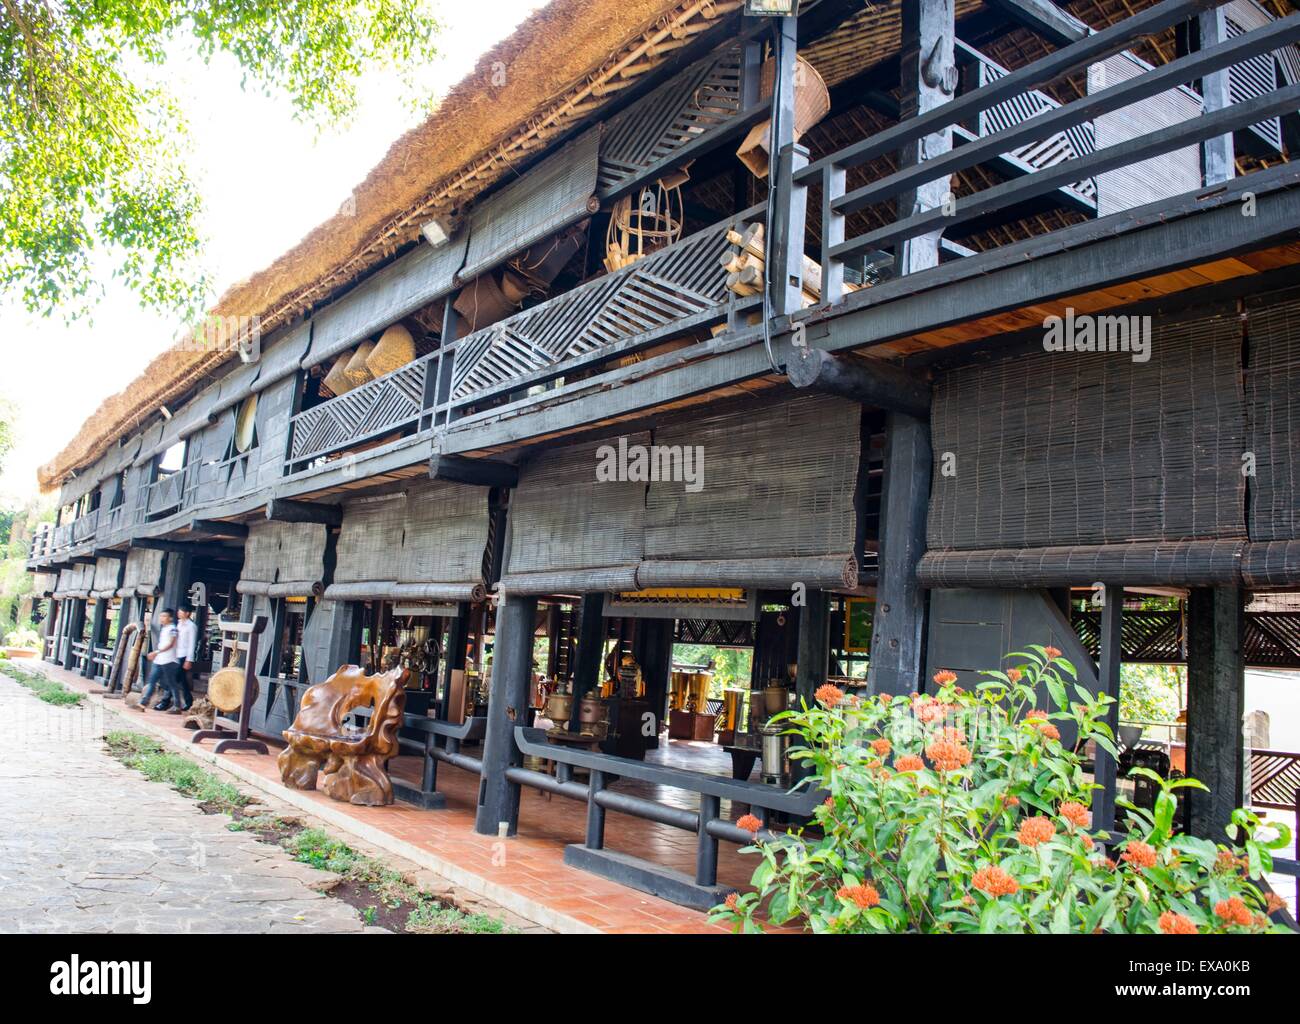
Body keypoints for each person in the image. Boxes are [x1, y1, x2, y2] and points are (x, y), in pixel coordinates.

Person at [134, 609, 180, 713]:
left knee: (172, 684)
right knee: (152, 681)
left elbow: (171, 644)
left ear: (170, 618)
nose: (161, 618)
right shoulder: (164, 629)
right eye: (161, 616)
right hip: (159, 660)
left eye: (164, 616)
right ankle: (143, 703)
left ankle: (177, 706)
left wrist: (156, 652)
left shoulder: (173, 629)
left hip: (169, 660)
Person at [174, 605, 198, 711]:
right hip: (176, 654)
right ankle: (188, 701)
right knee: (182, 680)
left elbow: (192, 644)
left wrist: (189, 660)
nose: (179, 613)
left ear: (187, 613)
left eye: (181, 611)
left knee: (174, 679)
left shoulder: (191, 626)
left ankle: (168, 700)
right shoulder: (179, 624)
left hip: (184, 655)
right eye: (179, 611)